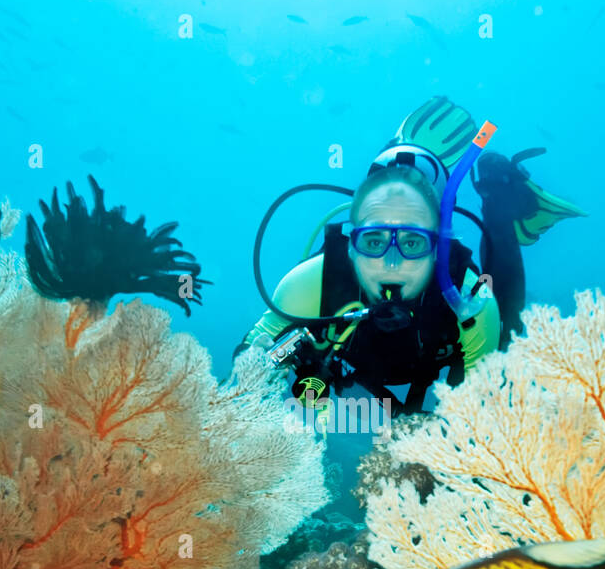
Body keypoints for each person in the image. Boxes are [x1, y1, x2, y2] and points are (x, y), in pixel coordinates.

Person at [240, 96, 585, 418]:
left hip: (438, 348)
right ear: (350, 242)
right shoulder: (311, 284)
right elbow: (249, 363)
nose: (393, 262)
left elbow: (486, 404)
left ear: (437, 246)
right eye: (374, 242)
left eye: (413, 243)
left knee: (507, 334)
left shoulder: (467, 301)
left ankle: (498, 196)